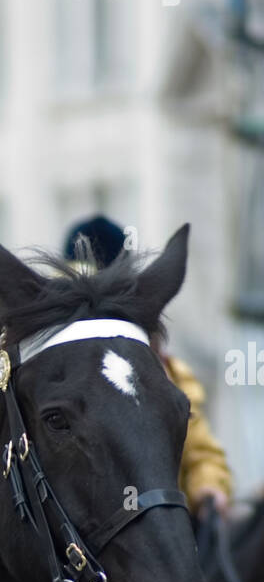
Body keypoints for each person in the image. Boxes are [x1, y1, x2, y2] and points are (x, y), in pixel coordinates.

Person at [63, 215, 233, 517]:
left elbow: (201, 452)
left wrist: (209, 487)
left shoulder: (170, 373)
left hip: (162, 530)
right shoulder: (55, 377)